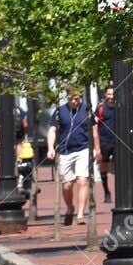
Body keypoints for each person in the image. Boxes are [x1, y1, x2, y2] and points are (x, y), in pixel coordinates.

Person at [47, 87, 91, 226]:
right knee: (67, 185)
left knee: (82, 181)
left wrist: (97, 149)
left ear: (81, 97)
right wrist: (50, 148)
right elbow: (52, 130)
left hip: (83, 149)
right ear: (67, 98)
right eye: (72, 98)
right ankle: (70, 207)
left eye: (77, 98)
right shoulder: (60, 111)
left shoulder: (86, 110)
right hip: (65, 151)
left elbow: (94, 129)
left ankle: (80, 214)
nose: (74, 101)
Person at [95, 85, 116, 204]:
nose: (111, 97)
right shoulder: (101, 108)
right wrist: (97, 147)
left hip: (118, 142)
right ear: (105, 95)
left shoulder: (120, 106)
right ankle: (106, 192)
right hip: (104, 141)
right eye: (109, 94)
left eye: (113, 94)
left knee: (121, 168)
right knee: (104, 167)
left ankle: (121, 193)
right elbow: (94, 126)